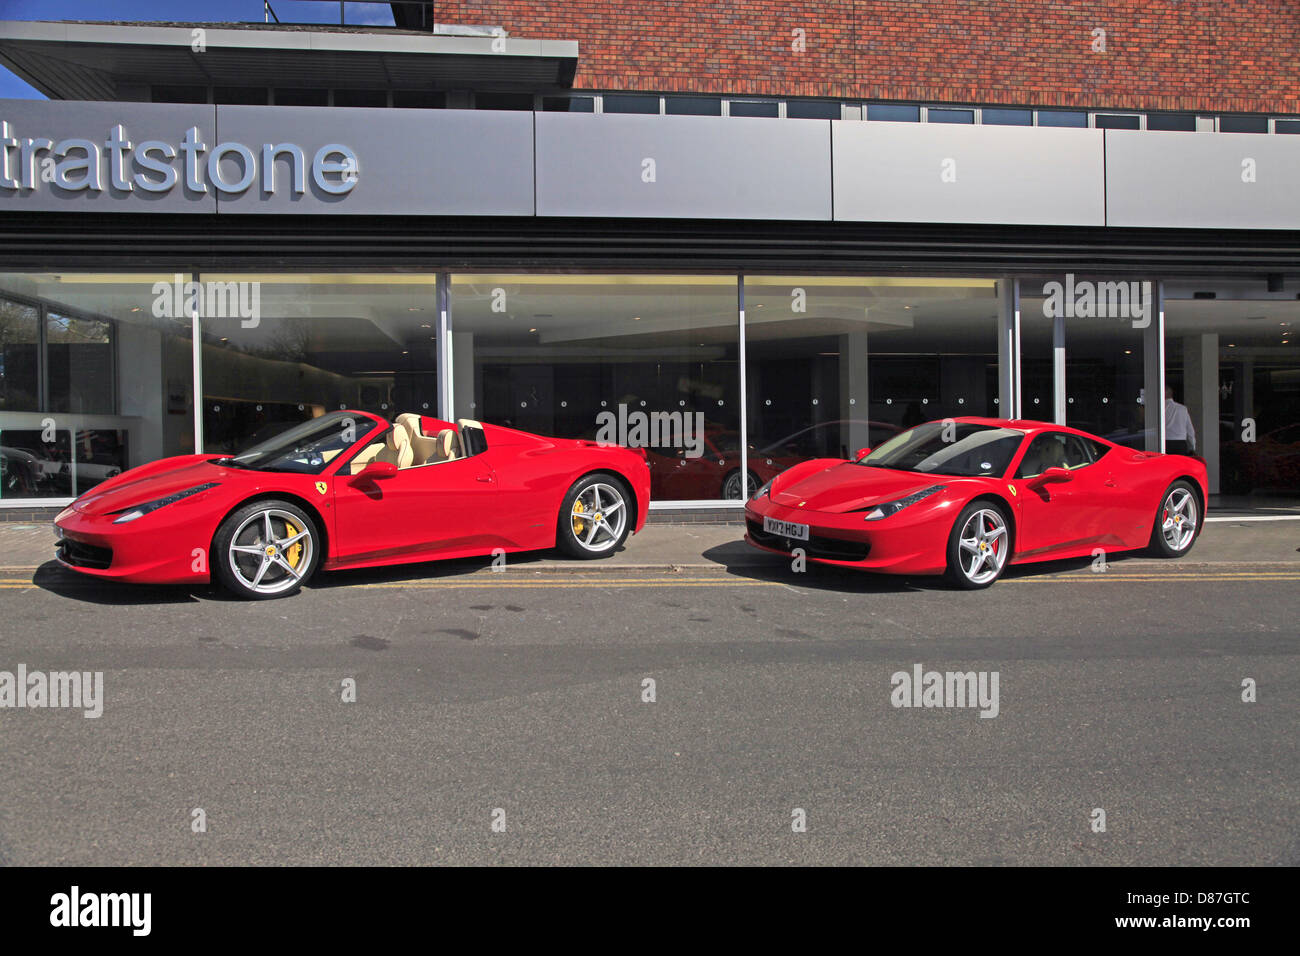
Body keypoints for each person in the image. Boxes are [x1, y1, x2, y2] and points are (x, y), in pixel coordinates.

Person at [1164, 386, 1196, 455]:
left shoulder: (1160, 408)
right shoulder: (1182, 409)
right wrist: (1192, 447)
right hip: (1180, 443)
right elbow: (1190, 429)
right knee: (1180, 464)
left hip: (1165, 443)